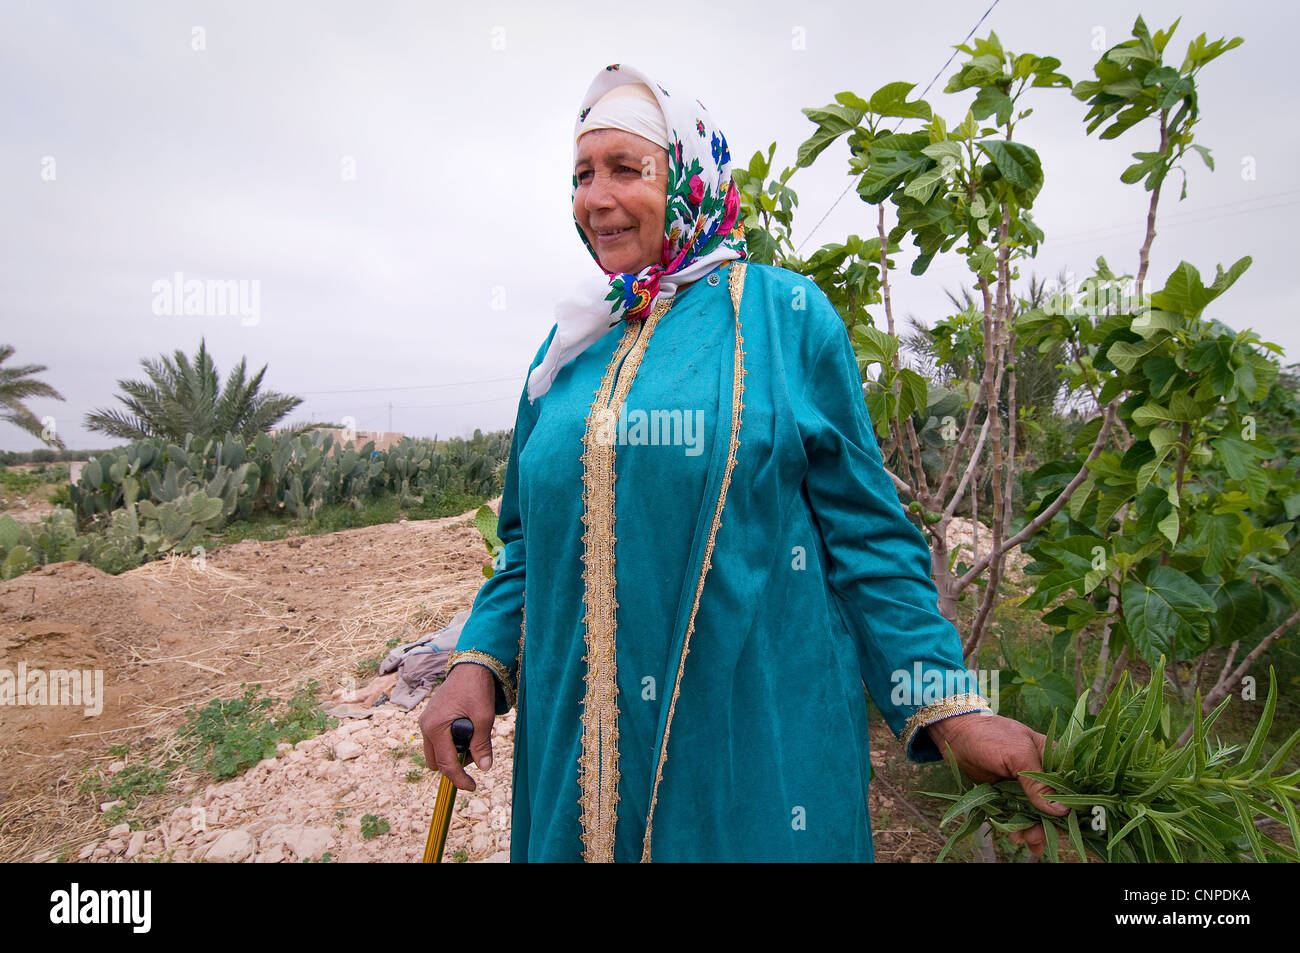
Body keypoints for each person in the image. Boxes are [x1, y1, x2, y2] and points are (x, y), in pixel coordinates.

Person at [420, 63, 1066, 862]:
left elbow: (867, 539)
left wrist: (947, 705)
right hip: (570, 775)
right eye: (583, 174)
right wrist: (477, 662)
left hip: (755, 766)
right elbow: (525, 547)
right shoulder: (565, 354)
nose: (595, 197)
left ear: (687, 173)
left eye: (627, 168)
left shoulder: (782, 317)